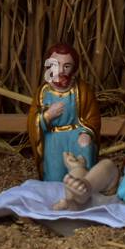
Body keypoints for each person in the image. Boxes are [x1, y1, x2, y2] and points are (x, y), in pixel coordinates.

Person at [26, 43, 101, 182]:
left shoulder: (83, 90)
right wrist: (47, 116)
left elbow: (93, 118)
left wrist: (87, 133)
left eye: (67, 66)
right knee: (55, 178)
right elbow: (32, 120)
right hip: (54, 139)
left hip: (77, 135)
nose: (61, 70)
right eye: (56, 65)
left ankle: (86, 189)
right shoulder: (43, 92)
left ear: (74, 68)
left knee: (84, 161)